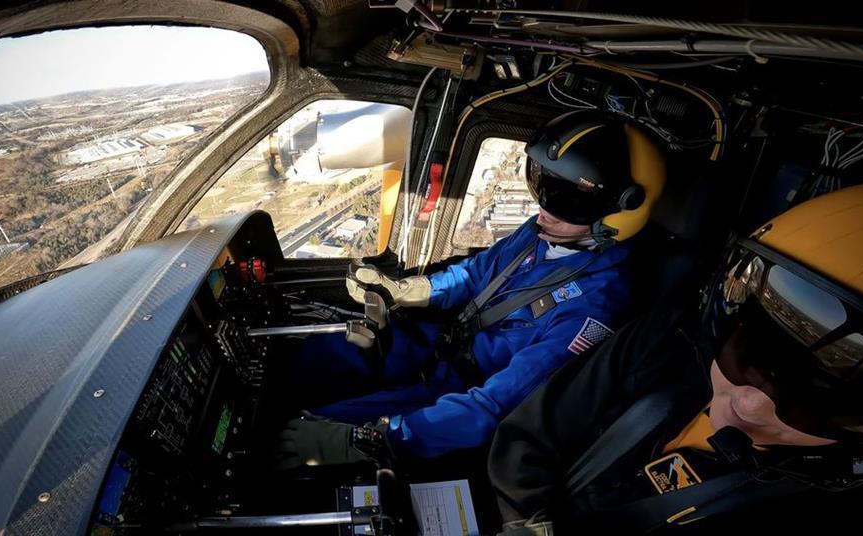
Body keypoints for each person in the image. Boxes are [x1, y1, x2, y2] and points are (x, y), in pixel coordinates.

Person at [488, 180, 863, 534]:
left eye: (821, 397)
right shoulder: (667, 340)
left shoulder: (851, 516)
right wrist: (529, 524)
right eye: (754, 350)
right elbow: (532, 432)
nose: (752, 404)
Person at [271, 110, 666, 468]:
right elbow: (476, 274)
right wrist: (409, 290)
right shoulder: (542, 232)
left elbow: (500, 403)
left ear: (620, 210)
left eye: (567, 199)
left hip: (461, 392)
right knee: (310, 360)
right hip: (437, 344)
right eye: (543, 185)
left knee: (311, 435)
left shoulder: (595, 306)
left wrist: (374, 440)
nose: (543, 207)